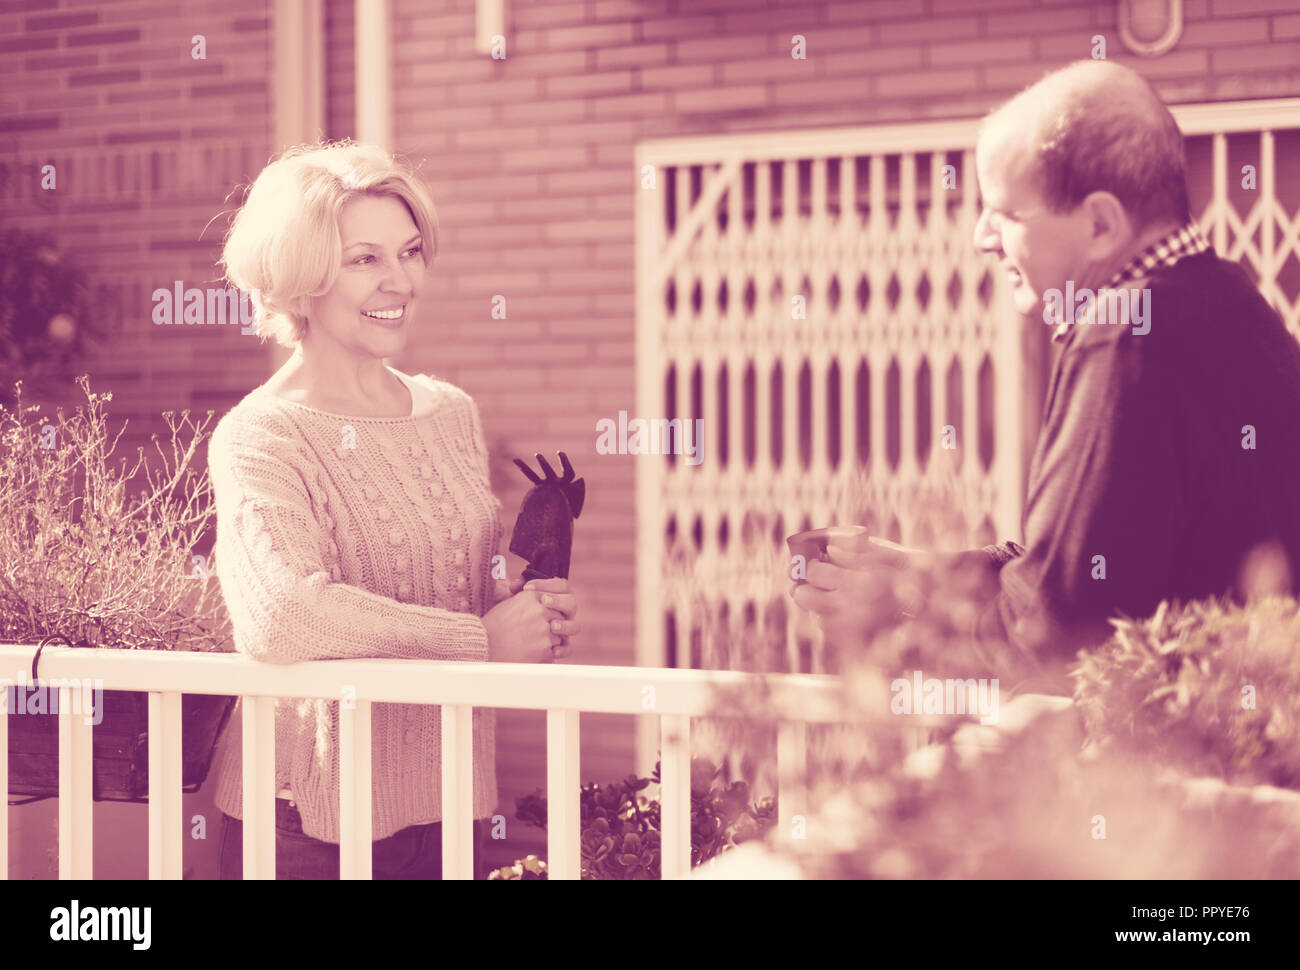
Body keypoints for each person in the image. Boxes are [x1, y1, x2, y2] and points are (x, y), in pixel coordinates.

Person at [793, 60, 1300, 690]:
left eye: (1005, 212)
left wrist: (892, 616)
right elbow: (1084, 567)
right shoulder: (1235, 301)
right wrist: (923, 577)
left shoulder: (1123, 335)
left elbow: (1054, 633)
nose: (982, 237)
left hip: (1167, 772)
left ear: (1100, 224)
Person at [207, 140, 580, 878]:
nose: (401, 280)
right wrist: (481, 640)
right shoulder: (262, 433)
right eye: (365, 259)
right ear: (300, 277)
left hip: (448, 803)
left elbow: (456, 588)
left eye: (410, 253)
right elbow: (285, 617)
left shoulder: (449, 412)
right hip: (306, 819)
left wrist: (523, 603)